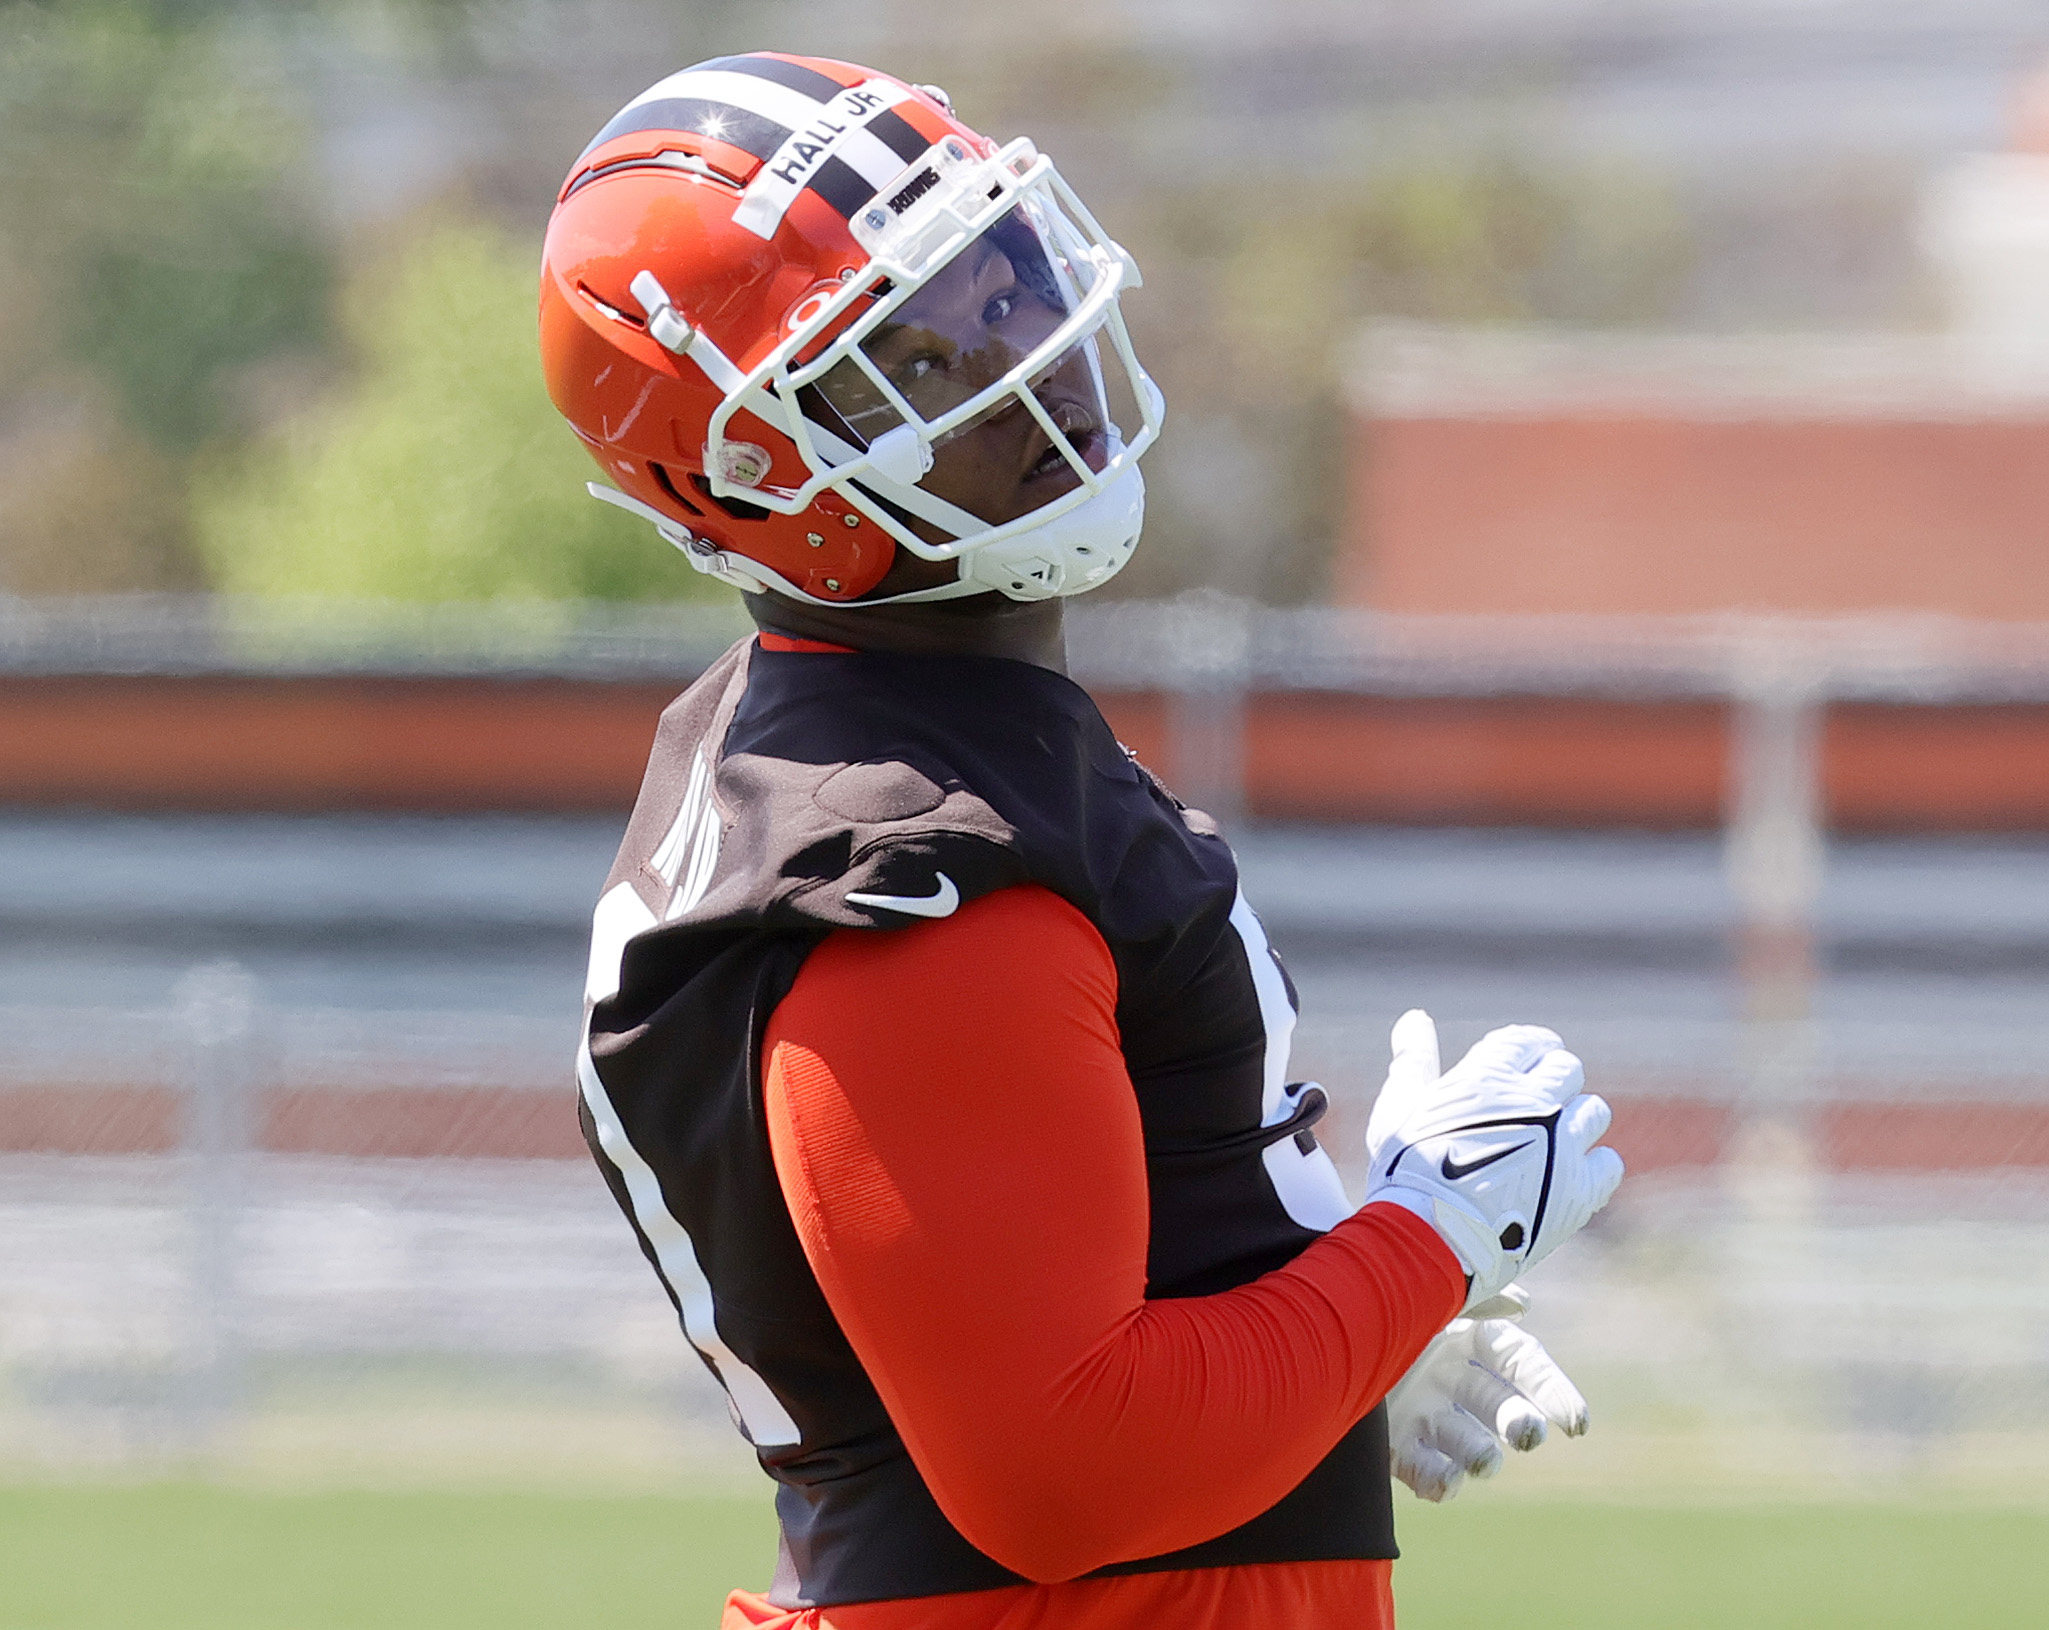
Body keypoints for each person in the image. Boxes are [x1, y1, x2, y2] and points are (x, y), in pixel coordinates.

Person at [540, 52, 1624, 1629]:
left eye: (998, 284)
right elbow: (1064, 1473)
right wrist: (1428, 1240)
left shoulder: (918, 721)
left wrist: (1320, 1340)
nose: (1022, 364)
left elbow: (1077, 1283)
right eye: (905, 358)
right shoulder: (910, 865)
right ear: (758, 471)